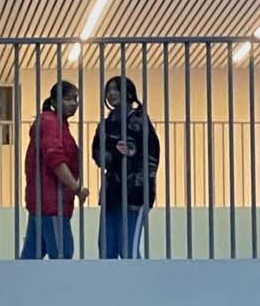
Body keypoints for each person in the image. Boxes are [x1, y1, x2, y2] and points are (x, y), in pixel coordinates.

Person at [93, 74, 161, 259]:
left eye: (116, 89)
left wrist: (143, 184)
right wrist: (115, 152)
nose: (111, 93)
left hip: (135, 194)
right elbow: (97, 154)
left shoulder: (140, 120)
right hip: (111, 193)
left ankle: (136, 279)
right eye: (109, 90)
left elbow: (152, 155)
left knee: (128, 249)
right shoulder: (105, 125)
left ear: (128, 93)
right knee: (106, 249)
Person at [20, 82, 85, 260]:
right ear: (55, 102)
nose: (74, 103)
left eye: (76, 99)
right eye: (68, 99)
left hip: (42, 203)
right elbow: (55, 158)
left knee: (29, 261)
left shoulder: (55, 123)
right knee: (62, 259)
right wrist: (76, 188)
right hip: (53, 204)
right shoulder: (51, 122)